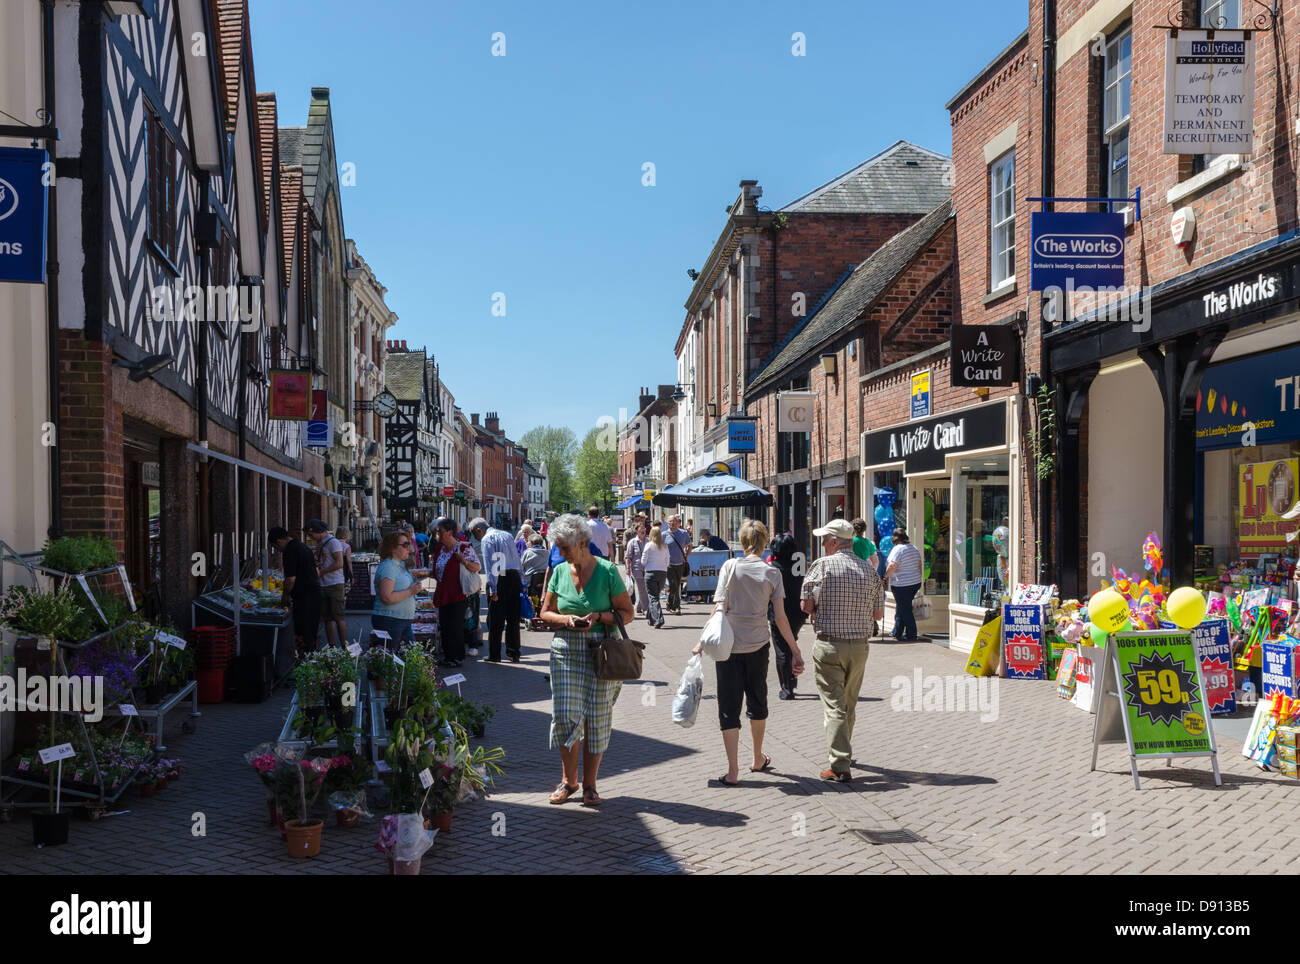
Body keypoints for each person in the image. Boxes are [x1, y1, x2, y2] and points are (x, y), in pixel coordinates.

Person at [692, 519, 802, 786]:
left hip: (727, 648)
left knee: (728, 707)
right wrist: (795, 650)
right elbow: (780, 618)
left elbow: (719, 608)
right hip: (758, 646)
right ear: (765, 543)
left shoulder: (729, 567)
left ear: (742, 542)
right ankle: (756, 758)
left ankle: (732, 771)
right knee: (757, 701)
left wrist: (701, 641)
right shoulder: (772, 573)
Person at [538, 513, 635, 808]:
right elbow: (545, 613)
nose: (560, 552)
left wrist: (597, 617)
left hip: (601, 651)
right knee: (566, 716)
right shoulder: (558, 571)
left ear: (581, 543)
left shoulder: (607, 571)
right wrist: (567, 619)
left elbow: (627, 613)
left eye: (564, 547)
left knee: (597, 717)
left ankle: (590, 785)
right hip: (565, 651)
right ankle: (569, 781)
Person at [800, 518, 885, 783]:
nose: (823, 543)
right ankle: (844, 752)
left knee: (835, 706)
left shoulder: (821, 566)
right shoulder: (869, 570)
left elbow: (805, 606)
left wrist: (819, 607)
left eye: (825, 539)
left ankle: (839, 764)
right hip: (859, 646)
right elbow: (879, 614)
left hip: (829, 644)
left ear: (835, 541)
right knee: (848, 703)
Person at [471, 517, 524, 663]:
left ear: (479, 530)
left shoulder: (487, 539)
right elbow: (517, 559)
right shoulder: (507, 535)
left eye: (474, 534)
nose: (475, 538)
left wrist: (493, 588)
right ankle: (514, 652)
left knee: (495, 619)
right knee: (513, 619)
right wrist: (523, 581)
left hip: (500, 578)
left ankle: (494, 655)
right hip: (514, 577)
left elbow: (491, 564)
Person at [431, 517, 481, 668]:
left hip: (458, 593)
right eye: (436, 531)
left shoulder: (463, 548)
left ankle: (457, 657)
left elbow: (477, 567)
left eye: (439, 531)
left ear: (449, 532)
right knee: (444, 625)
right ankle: (447, 656)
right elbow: (436, 571)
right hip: (442, 592)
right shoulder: (439, 549)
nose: (437, 534)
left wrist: (463, 561)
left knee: (455, 626)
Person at [270, 526, 322, 654]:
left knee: (303, 633)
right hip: (315, 593)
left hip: (304, 597)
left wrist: (285, 596)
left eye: (276, 548)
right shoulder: (303, 546)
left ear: (279, 541)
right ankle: (312, 658)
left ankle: (304, 660)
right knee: (311, 631)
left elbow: (291, 579)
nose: (279, 551)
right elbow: (317, 571)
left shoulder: (290, 551)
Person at [768, 533, 808, 700]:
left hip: (779, 612)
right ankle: (792, 679)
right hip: (798, 612)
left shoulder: (773, 567)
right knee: (791, 643)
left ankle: (787, 687)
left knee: (782, 649)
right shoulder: (799, 563)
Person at [371, 530, 421, 647]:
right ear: (392, 548)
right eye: (405, 545)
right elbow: (386, 597)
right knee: (392, 658)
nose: (409, 548)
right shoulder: (388, 567)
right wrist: (410, 591)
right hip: (390, 620)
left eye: (409, 544)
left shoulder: (398, 565)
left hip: (400, 620)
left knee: (409, 657)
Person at [306, 520, 349, 648]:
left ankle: (345, 648)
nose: (310, 537)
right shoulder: (320, 544)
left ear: (317, 531)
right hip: (323, 584)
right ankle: (332, 648)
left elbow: (339, 563)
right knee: (327, 618)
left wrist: (321, 572)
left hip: (335, 584)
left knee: (339, 617)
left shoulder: (333, 543)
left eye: (311, 534)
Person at [884, 528, 924, 642]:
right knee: (902, 606)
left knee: (905, 609)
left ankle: (911, 634)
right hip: (914, 582)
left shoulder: (898, 549)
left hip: (902, 584)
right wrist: (919, 579)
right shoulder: (914, 548)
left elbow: (892, 565)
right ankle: (897, 631)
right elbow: (919, 564)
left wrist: (885, 576)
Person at [642, 523, 670, 628]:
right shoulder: (665, 546)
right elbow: (668, 561)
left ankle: (659, 619)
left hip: (650, 572)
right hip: (662, 572)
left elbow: (643, 561)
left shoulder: (648, 545)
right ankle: (651, 618)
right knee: (655, 596)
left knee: (653, 596)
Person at [665, 515, 692, 615]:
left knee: (676, 585)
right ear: (668, 523)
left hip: (680, 563)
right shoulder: (664, 534)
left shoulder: (683, 533)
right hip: (669, 564)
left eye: (675, 521)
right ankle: (677, 607)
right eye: (671, 521)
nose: (673, 523)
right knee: (673, 585)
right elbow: (660, 549)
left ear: (678, 522)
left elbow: (690, 545)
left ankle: (669, 604)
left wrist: (686, 557)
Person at [626, 521, 650, 617]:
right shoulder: (632, 542)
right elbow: (628, 556)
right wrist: (628, 569)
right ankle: (646, 609)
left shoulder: (649, 541)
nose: (643, 530)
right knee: (641, 588)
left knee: (645, 588)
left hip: (648, 568)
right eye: (641, 529)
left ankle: (638, 607)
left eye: (644, 529)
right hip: (636, 568)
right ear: (637, 531)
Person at [521, 534, 549, 614]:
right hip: (544, 581)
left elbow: (521, 567)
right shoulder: (547, 553)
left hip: (530, 581)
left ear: (532, 543)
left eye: (528, 542)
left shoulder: (527, 552)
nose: (527, 543)